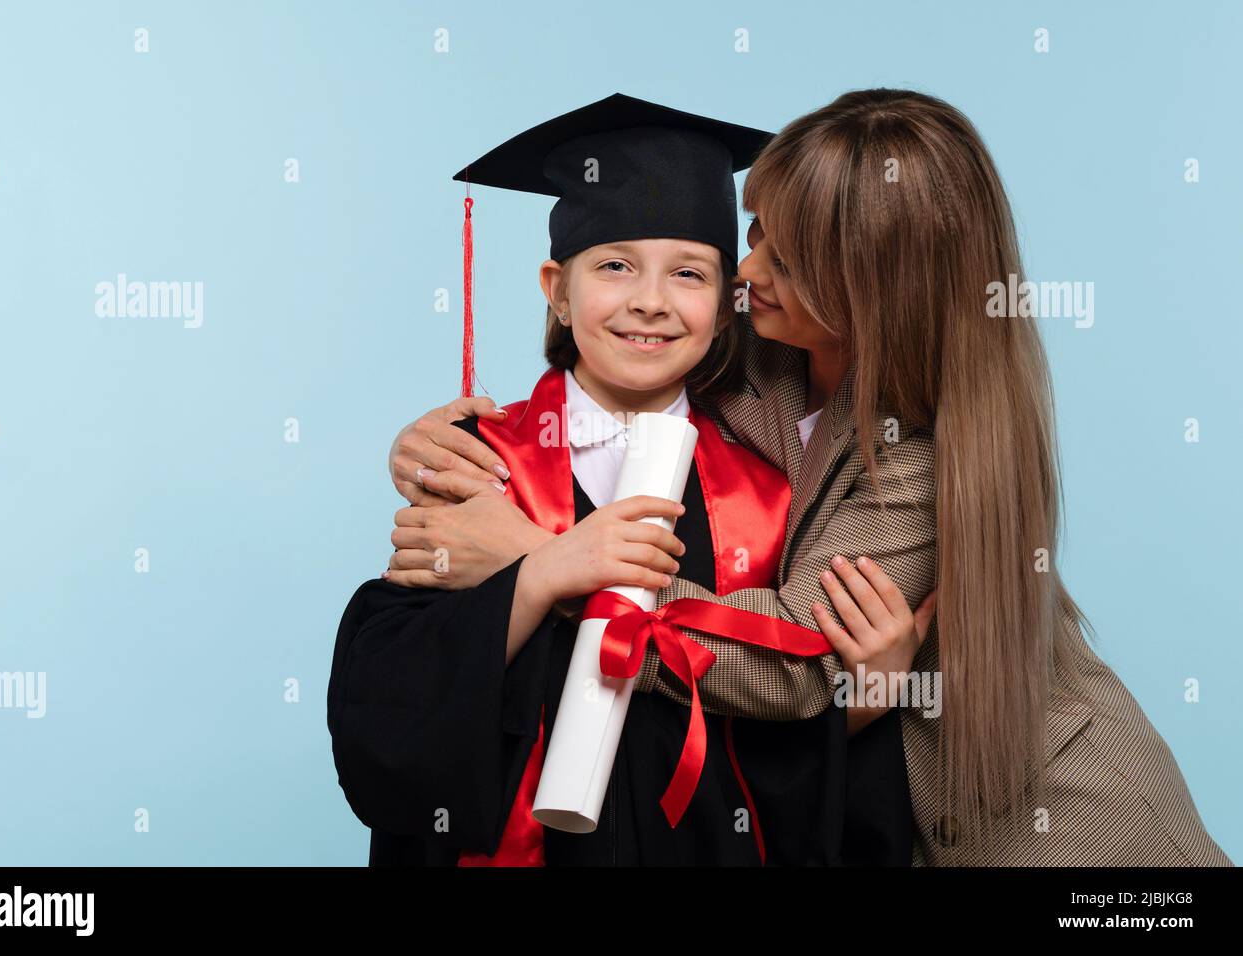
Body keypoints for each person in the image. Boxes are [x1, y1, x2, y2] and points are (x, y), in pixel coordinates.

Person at [386, 89, 1231, 866]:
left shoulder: (925, 457)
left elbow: (792, 660)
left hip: (1062, 831)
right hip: (880, 807)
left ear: (871, 295)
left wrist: (539, 563)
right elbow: (626, 351)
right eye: (754, 236)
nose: (747, 274)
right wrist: (439, 441)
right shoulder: (763, 344)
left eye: (783, 262)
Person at [328, 94, 916, 866]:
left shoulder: (769, 493)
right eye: (613, 266)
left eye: (688, 273)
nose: (649, 300)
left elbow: (786, 729)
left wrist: (871, 694)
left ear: (727, 304)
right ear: (557, 290)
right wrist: (537, 578)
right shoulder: (478, 462)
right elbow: (395, 699)